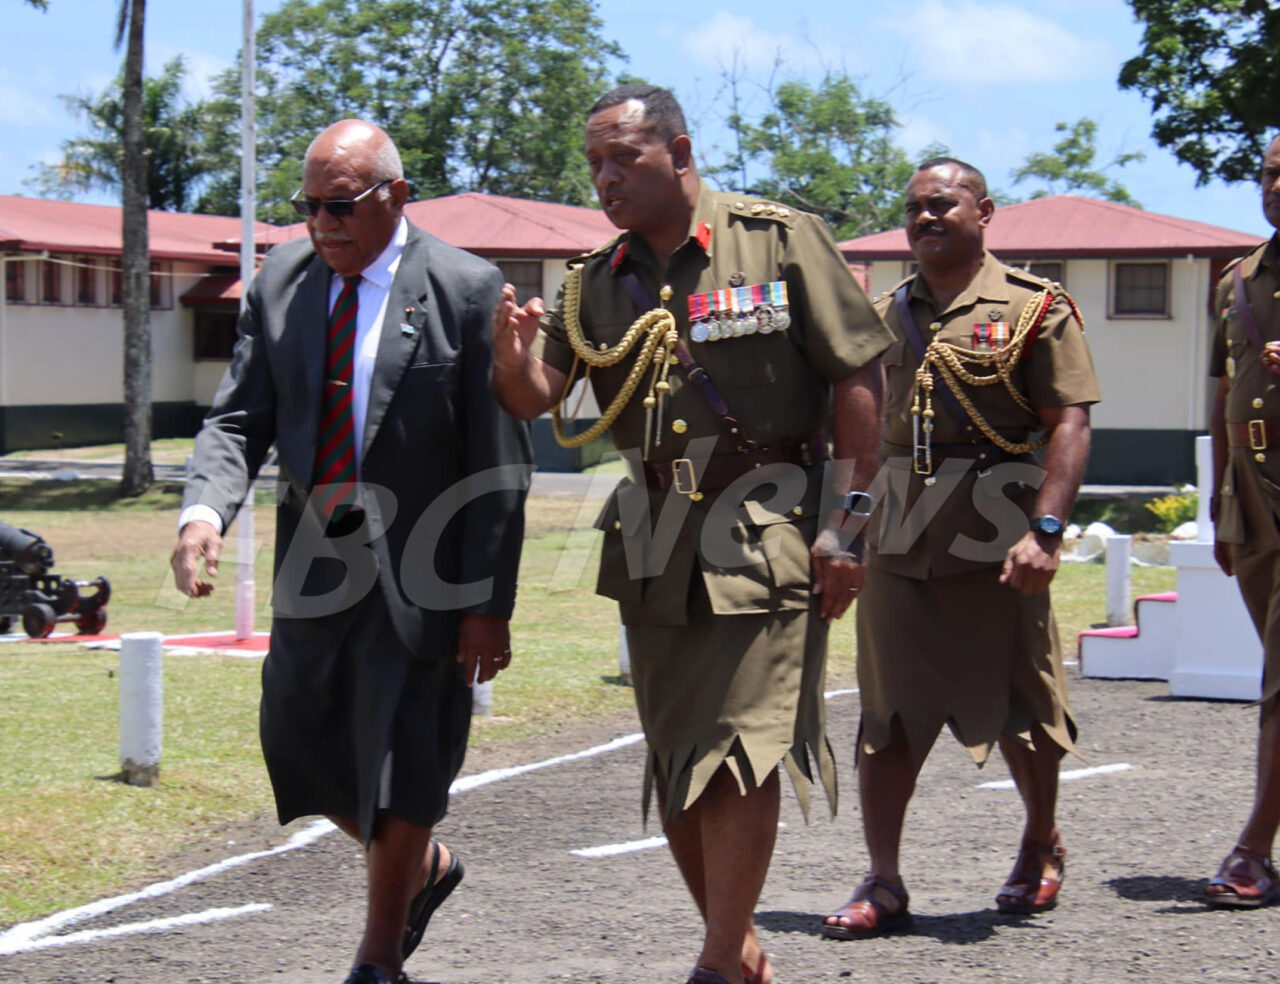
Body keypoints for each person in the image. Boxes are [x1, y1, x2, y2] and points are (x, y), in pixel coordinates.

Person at [491, 84, 890, 984]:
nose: (604, 179)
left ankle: (714, 963)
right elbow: (536, 396)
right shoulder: (594, 279)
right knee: (677, 761)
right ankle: (738, 951)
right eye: (594, 163)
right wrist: (510, 358)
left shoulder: (778, 241)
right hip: (654, 535)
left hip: (767, 525)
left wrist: (849, 525)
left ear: (677, 154)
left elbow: (859, 376)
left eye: (622, 159)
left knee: (741, 751)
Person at [170, 119, 531, 984]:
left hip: (426, 565)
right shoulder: (280, 282)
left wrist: (487, 605)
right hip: (316, 557)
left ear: (396, 196)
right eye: (309, 207)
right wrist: (203, 513)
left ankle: (378, 956)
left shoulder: (466, 288)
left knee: (404, 754)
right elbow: (238, 418)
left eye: (340, 206)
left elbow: (499, 459)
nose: (321, 224)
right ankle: (423, 868)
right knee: (295, 736)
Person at [822, 157, 1099, 938]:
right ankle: (883, 879)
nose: (925, 218)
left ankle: (1040, 843)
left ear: (984, 212)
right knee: (887, 716)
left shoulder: (1035, 307)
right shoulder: (881, 315)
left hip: (999, 537)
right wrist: (843, 534)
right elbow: (857, 434)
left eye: (943, 204)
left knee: (1022, 708)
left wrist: (1046, 531)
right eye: (915, 207)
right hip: (899, 539)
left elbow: (1070, 422)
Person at [1205, 133, 1280, 909]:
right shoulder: (1237, 279)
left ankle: (1253, 849)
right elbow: (1221, 390)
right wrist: (1219, 497)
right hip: (1254, 490)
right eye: (1269, 172)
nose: (1277, 185)